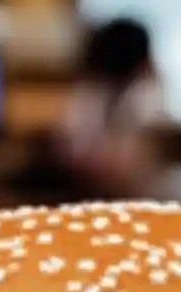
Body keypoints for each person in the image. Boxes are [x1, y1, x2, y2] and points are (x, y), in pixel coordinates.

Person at [57, 19, 164, 197]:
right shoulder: (89, 93)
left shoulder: (145, 92)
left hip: (132, 195)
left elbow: (133, 162)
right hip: (84, 192)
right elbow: (68, 150)